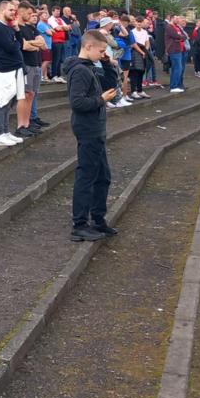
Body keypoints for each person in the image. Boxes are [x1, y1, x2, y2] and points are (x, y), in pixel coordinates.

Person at [64, 30, 118, 242]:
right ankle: (80, 224)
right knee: (87, 176)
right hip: (88, 128)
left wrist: (106, 63)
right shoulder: (80, 71)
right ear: (88, 47)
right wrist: (100, 100)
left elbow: (109, 85)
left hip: (96, 128)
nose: (103, 54)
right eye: (101, 51)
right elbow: (77, 103)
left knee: (103, 176)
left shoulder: (90, 68)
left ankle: (97, 218)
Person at [0, 1, 25, 146]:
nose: (13, 13)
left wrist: (17, 30)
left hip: (14, 69)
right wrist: (16, 43)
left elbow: (20, 44)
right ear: (2, 10)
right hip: (3, 70)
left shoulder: (9, 28)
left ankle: (5, 131)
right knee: (1, 101)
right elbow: (12, 47)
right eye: (11, 10)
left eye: (14, 10)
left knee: (9, 102)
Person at [16, 1, 44, 138]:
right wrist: (34, 44)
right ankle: (21, 126)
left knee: (31, 94)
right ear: (21, 12)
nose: (32, 16)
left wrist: (32, 44)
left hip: (34, 64)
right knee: (25, 94)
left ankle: (27, 124)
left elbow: (43, 44)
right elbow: (24, 46)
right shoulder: (18, 28)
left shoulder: (31, 28)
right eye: (29, 13)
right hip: (25, 64)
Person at [129, 16, 151, 99]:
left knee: (141, 72)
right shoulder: (132, 32)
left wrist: (145, 50)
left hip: (143, 52)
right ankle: (133, 91)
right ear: (135, 23)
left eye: (140, 22)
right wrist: (141, 52)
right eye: (137, 22)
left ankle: (140, 90)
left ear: (142, 23)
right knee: (134, 72)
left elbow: (147, 42)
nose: (138, 23)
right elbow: (133, 44)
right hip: (135, 52)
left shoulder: (145, 32)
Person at [164, 15, 186, 92]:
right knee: (177, 68)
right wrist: (180, 37)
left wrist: (180, 37)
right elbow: (175, 35)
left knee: (177, 68)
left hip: (179, 49)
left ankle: (175, 85)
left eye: (178, 18)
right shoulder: (169, 26)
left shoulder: (177, 26)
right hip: (173, 49)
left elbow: (184, 36)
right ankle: (173, 86)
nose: (177, 20)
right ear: (172, 18)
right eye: (176, 18)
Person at [48, 5, 69, 82]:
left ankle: (59, 75)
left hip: (62, 41)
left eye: (59, 11)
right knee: (56, 59)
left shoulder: (60, 19)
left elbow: (68, 27)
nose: (58, 13)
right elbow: (57, 28)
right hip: (55, 41)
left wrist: (62, 27)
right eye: (56, 11)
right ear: (52, 11)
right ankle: (54, 75)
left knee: (60, 59)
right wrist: (63, 27)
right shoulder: (50, 19)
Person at [37, 10, 54, 81]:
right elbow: (50, 33)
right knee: (46, 61)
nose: (47, 16)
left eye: (47, 14)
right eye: (45, 15)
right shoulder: (41, 24)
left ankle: (45, 76)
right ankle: (41, 76)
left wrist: (50, 30)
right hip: (44, 45)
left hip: (49, 45)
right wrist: (50, 31)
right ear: (40, 16)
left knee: (47, 61)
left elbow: (53, 31)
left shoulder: (46, 24)